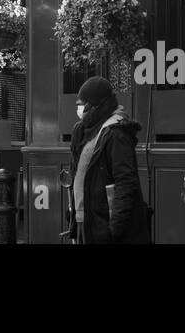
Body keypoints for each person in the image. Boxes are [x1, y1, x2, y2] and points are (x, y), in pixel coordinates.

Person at [69, 77, 150, 244]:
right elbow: (77, 173)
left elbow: (126, 182)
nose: (81, 109)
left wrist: (115, 228)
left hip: (104, 227)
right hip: (85, 220)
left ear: (98, 105)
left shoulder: (116, 133)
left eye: (84, 104)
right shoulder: (83, 130)